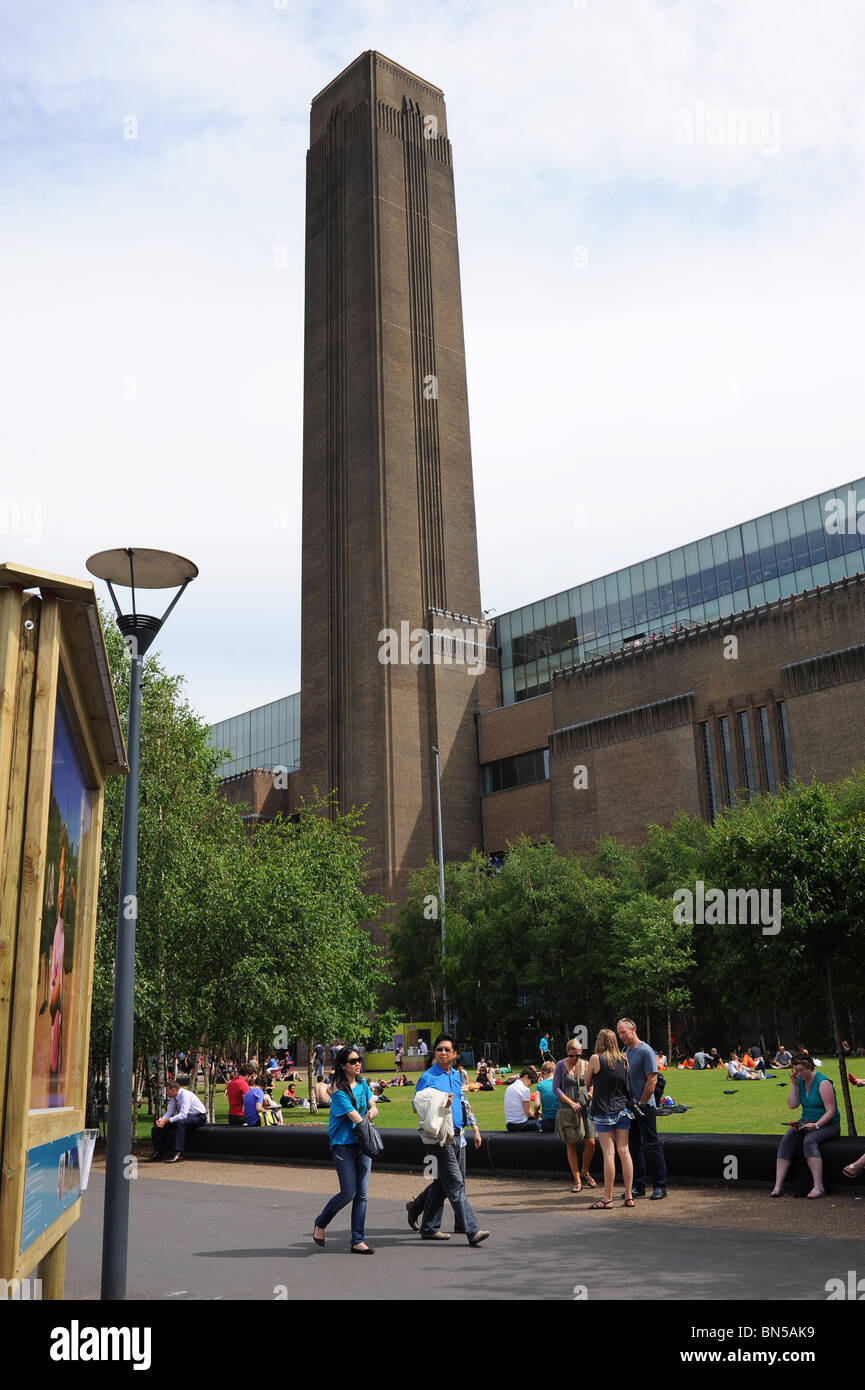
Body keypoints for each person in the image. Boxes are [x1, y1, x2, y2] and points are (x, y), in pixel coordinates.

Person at [411, 1034, 489, 1245]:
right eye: (439, 1049)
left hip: (459, 1137)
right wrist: (440, 1103)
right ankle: (472, 1230)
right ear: (435, 1053)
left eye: (447, 1049)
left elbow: (462, 1103)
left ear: (454, 1054)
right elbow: (415, 1105)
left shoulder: (456, 1075)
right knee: (455, 1185)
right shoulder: (428, 1077)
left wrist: (475, 1126)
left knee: (442, 1185)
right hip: (440, 1139)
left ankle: (428, 1225)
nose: (443, 1052)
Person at [313, 1047, 377, 1252]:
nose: (357, 1063)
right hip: (343, 1144)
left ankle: (358, 1240)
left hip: (362, 1143)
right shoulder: (338, 1089)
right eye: (352, 1061)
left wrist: (372, 1111)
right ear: (343, 1065)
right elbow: (355, 1117)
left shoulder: (363, 1084)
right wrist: (367, 1121)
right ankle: (321, 1222)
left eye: (359, 1059)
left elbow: (373, 1106)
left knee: (362, 1194)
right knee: (349, 1192)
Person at [769, 1051, 841, 1198]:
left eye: (802, 1070)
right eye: (797, 1071)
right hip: (805, 1121)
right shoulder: (800, 1080)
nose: (800, 1074)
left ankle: (818, 1186)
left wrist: (816, 1125)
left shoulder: (823, 1083)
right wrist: (794, 1085)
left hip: (828, 1124)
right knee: (787, 1140)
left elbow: (831, 1111)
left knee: (810, 1140)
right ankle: (778, 1185)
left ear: (810, 1067)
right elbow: (792, 1105)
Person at [584, 1028, 635, 1209]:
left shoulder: (596, 1059)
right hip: (622, 1108)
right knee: (625, 1151)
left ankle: (608, 1198)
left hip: (603, 1109)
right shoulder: (624, 1058)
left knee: (609, 1154)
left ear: (601, 1041)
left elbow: (586, 1081)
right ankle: (629, 1195)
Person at [617, 1018, 667, 1200]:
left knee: (652, 1144)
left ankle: (660, 1186)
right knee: (633, 1146)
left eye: (623, 1032)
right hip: (630, 1106)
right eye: (619, 1033)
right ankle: (638, 1185)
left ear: (633, 1029)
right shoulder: (625, 1051)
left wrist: (641, 1103)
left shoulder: (645, 1051)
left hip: (645, 1106)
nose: (621, 1036)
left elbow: (652, 1079)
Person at [553, 1037, 597, 1191]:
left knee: (590, 1143)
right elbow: (556, 1088)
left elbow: (592, 1085)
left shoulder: (586, 1064)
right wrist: (571, 1103)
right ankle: (577, 1180)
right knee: (571, 1144)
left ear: (581, 1053)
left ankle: (585, 1171)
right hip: (567, 1107)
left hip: (585, 1107)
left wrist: (591, 1093)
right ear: (567, 1053)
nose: (574, 1059)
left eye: (577, 1055)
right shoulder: (560, 1065)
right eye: (571, 1055)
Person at [147, 1081, 207, 1162]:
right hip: (187, 1118)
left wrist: (167, 1120)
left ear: (174, 1090)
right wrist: (162, 1120)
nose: (166, 1093)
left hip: (199, 1117)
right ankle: (158, 1152)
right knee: (157, 1127)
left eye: (167, 1091)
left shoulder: (185, 1095)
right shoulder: (173, 1097)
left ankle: (179, 1153)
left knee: (180, 1123)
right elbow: (170, 1111)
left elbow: (183, 1115)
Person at [504, 1067, 541, 1132]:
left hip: (509, 1125)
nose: (531, 1085)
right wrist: (538, 1114)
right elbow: (529, 1113)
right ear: (526, 1077)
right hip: (521, 1124)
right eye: (532, 1081)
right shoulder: (524, 1089)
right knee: (544, 1124)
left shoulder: (509, 1087)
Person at [535, 1061, 559, 1132]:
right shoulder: (561, 1083)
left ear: (544, 1073)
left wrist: (536, 1112)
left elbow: (537, 1104)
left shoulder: (540, 1085)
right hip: (561, 1120)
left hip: (547, 1121)